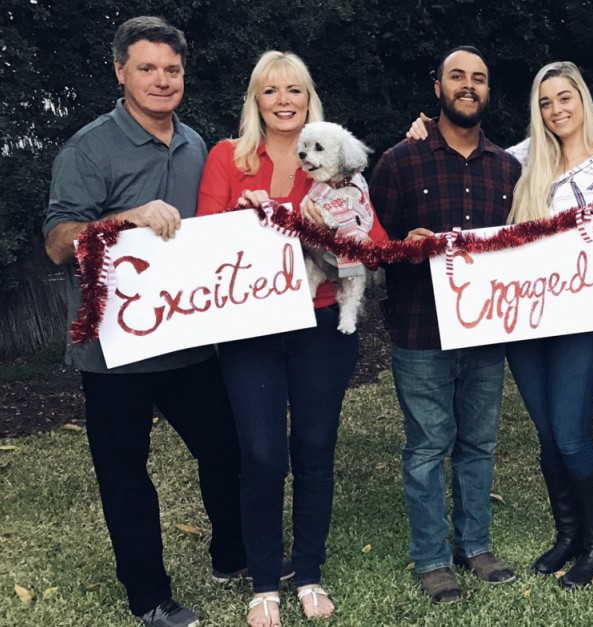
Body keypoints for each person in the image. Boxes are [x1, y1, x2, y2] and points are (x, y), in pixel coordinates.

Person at [42, 16, 245, 627]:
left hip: (187, 339)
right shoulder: (89, 148)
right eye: (147, 68)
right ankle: (149, 597)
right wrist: (123, 218)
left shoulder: (196, 143)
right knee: (126, 475)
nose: (162, 80)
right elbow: (57, 244)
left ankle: (232, 557)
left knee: (226, 450)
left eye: (172, 69)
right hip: (113, 351)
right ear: (120, 72)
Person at [196, 50, 387, 627]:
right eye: (271, 90)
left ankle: (308, 573)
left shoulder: (333, 158)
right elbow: (204, 239)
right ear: (256, 99)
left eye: (295, 90)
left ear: (310, 99)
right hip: (250, 327)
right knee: (260, 454)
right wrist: (242, 213)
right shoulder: (227, 158)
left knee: (314, 449)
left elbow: (375, 243)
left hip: (321, 325)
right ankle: (263, 582)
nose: (284, 101)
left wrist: (342, 232)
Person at [370, 45, 521, 604]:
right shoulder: (399, 161)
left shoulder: (508, 168)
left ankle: (475, 545)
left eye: (478, 78)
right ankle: (432, 557)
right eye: (457, 76)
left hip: (486, 333)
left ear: (488, 91)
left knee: (479, 444)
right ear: (437, 87)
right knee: (428, 447)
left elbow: (524, 246)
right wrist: (403, 247)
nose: (468, 85)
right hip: (420, 330)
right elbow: (371, 245)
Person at [502, 61, 593, 587]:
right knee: (547, 435)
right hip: (524, 318)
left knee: (572, 435)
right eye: (545, 102)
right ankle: (569, 536)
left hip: (582, 319)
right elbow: (469, 160)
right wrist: (423, 134)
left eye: (565, 98)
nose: (556, 110)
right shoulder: (522, 160)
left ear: (583, 100)